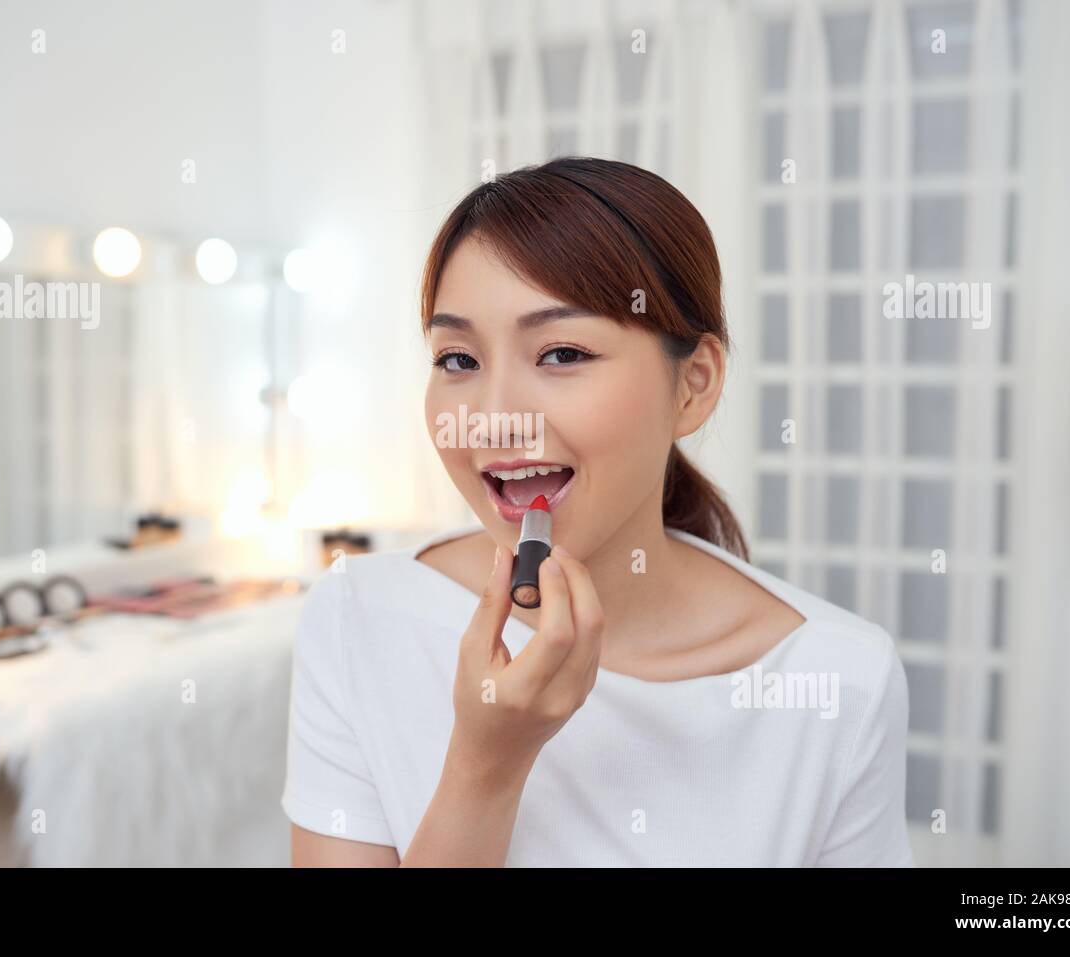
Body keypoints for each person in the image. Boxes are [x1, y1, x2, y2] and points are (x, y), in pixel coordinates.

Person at [280, 156, 913, 867]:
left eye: (561, 352)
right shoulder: (358, 617)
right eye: (458, 359)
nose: (493, 420)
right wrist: (483, 769)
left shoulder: (839, 679)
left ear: (693, 386)